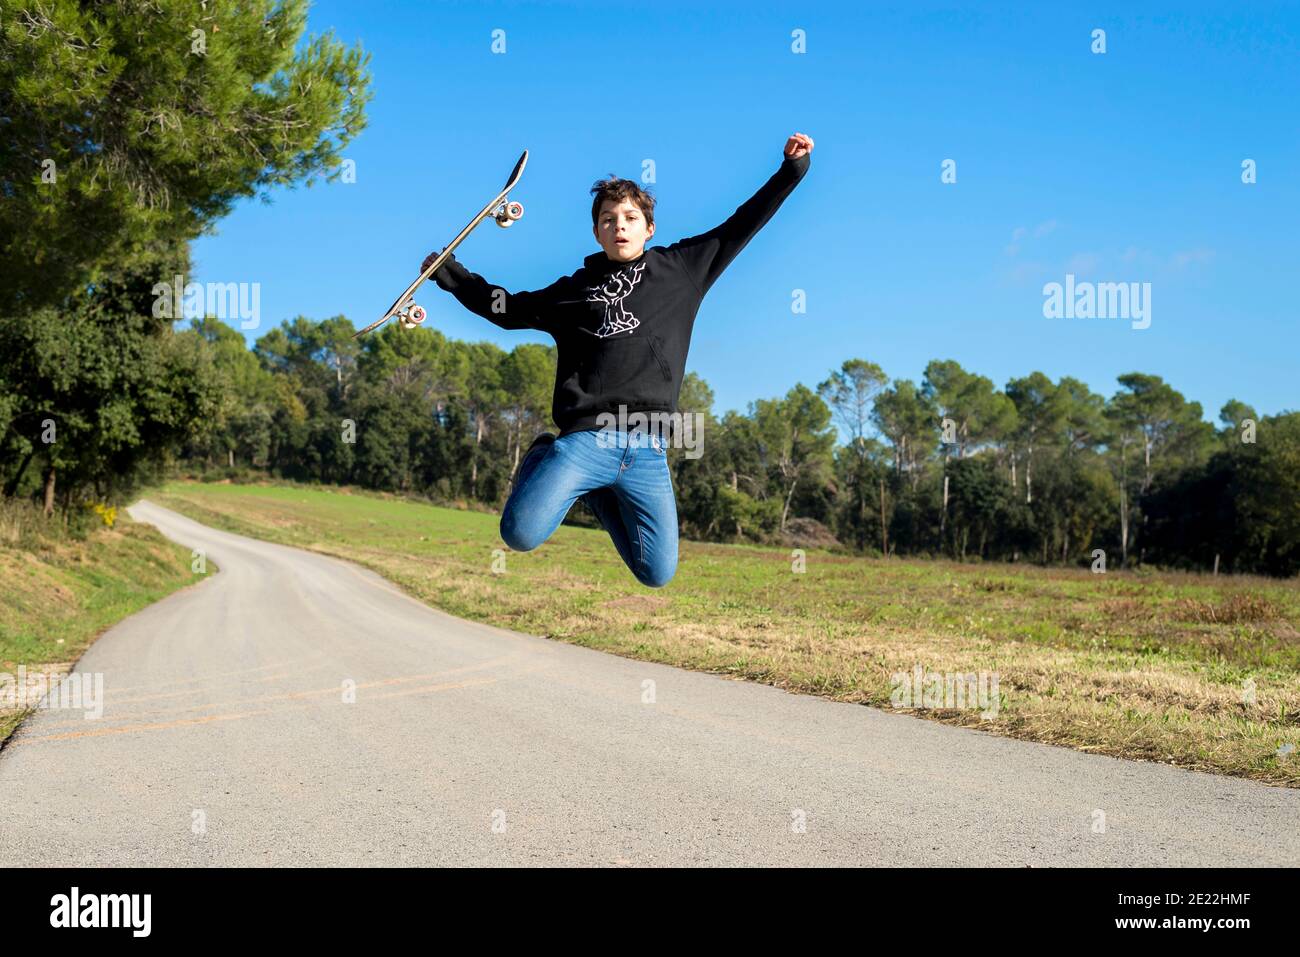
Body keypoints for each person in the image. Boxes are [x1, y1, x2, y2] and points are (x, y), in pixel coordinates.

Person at [424, 133, 813, 587]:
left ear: (649, 228)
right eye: (608, 220)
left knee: (657, 573)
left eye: (630, 217)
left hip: (648, 450)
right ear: (596, 231)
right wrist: (450, 274)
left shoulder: (681, 270)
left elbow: (742, 224)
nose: (619, 226)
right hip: (584, 441)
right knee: (519, 535)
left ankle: (598, 495)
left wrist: (791, 171)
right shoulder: (574, 290)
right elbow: (508, 309)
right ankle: (543, 454)